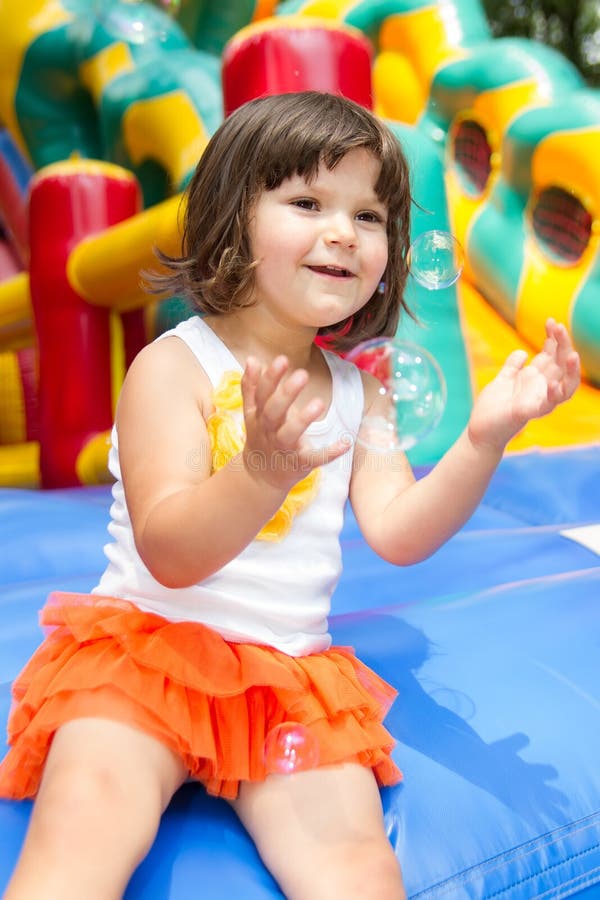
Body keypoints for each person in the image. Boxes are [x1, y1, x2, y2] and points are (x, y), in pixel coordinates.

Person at [0, 91, 580, 900]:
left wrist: (485, 439)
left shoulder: (359, 392)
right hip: (148, 654)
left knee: (356, 866)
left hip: (283, 680)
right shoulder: (176, 367)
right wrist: (259, 472)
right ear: (232, 219)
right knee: (89, 816)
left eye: (369, 216)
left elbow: (400, 533)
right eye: (307, 202)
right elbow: (169, 552)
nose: (343, 231)